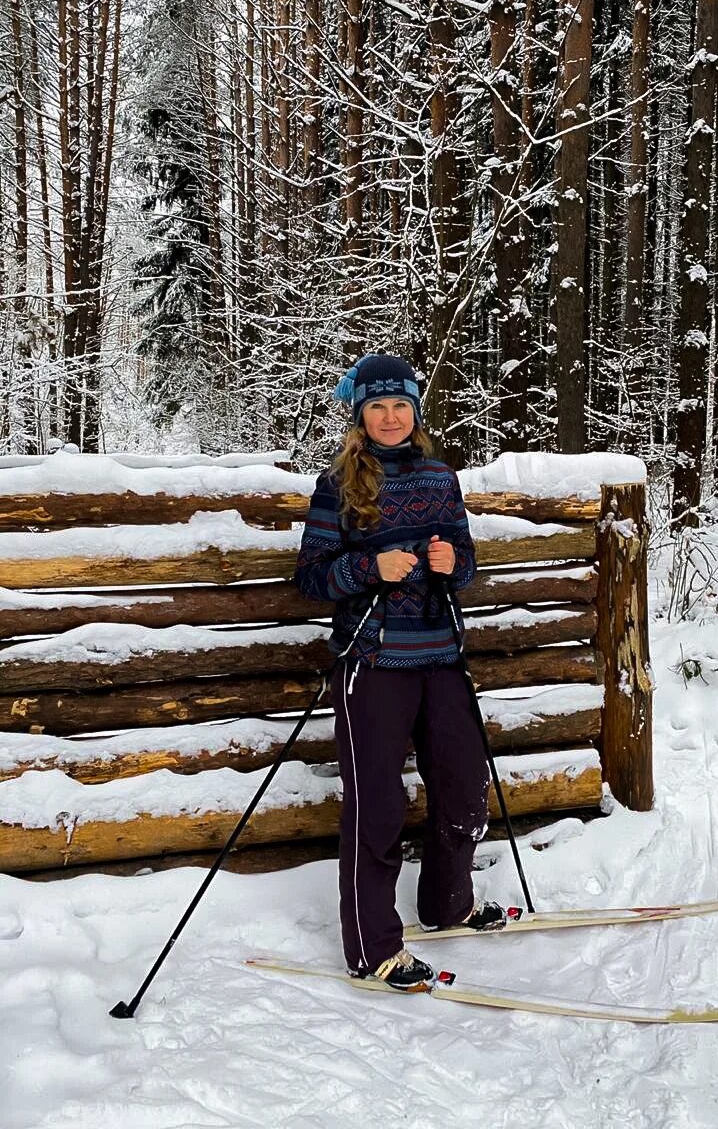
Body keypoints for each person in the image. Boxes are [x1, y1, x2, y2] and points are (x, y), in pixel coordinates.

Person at [293, 353, 506, 990]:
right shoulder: (340, 483)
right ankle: (373, 946)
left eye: (401, 405)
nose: (391, 417)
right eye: (378, 407)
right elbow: (311, 577)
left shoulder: (441, 476)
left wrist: (452, 563)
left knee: (464, 787)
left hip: (441, 656)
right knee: (378, 805)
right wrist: (370, 569)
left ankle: (448, 904)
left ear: (416, 411)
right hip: (373, 661)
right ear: (359, 414)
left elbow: (465, 562)